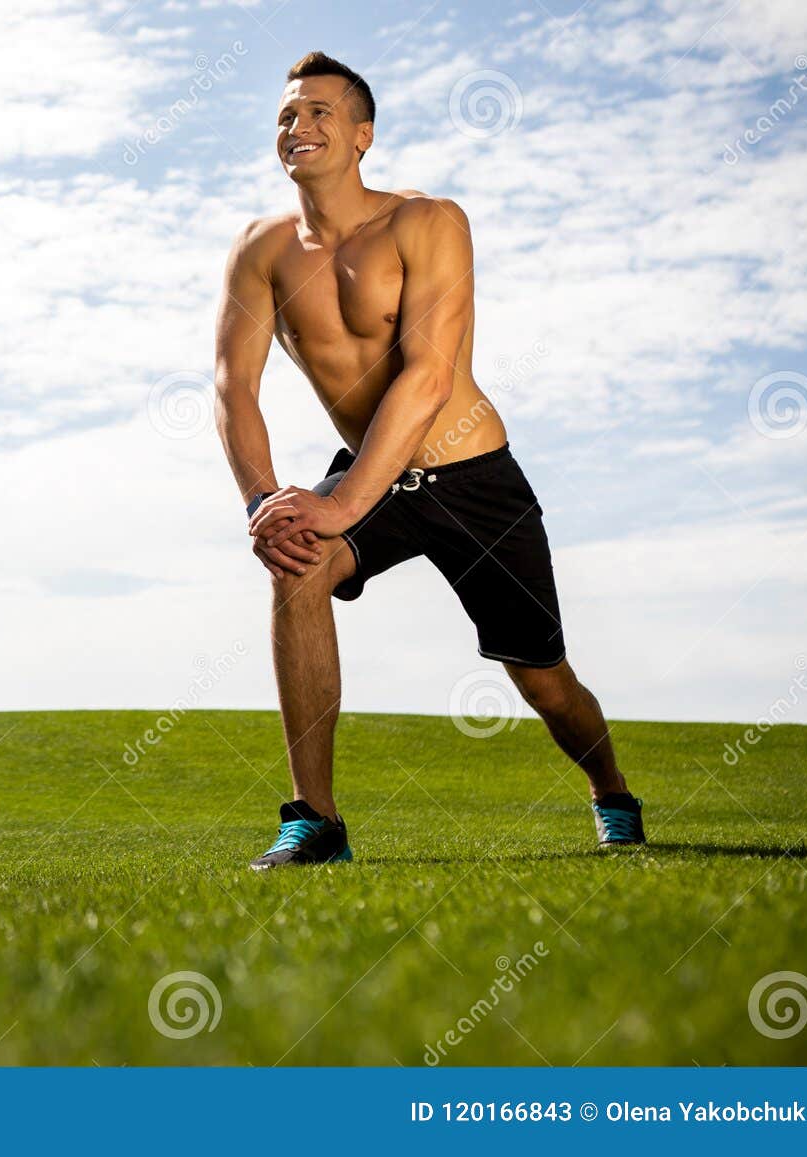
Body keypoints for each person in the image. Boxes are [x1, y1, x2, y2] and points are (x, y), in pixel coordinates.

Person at [213, 52, 644, 868]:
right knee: (297, 563)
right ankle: (316, 820)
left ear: (363, 135)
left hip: (474, 477)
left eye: (318, 113)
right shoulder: (260, 250)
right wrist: (263, 503)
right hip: (374, 466)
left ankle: (612, 790)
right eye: (285, 117)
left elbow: (428, 375)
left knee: (545, 679)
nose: (296, 127)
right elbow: (234, 387)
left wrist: (339, 504)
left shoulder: (429, 221)